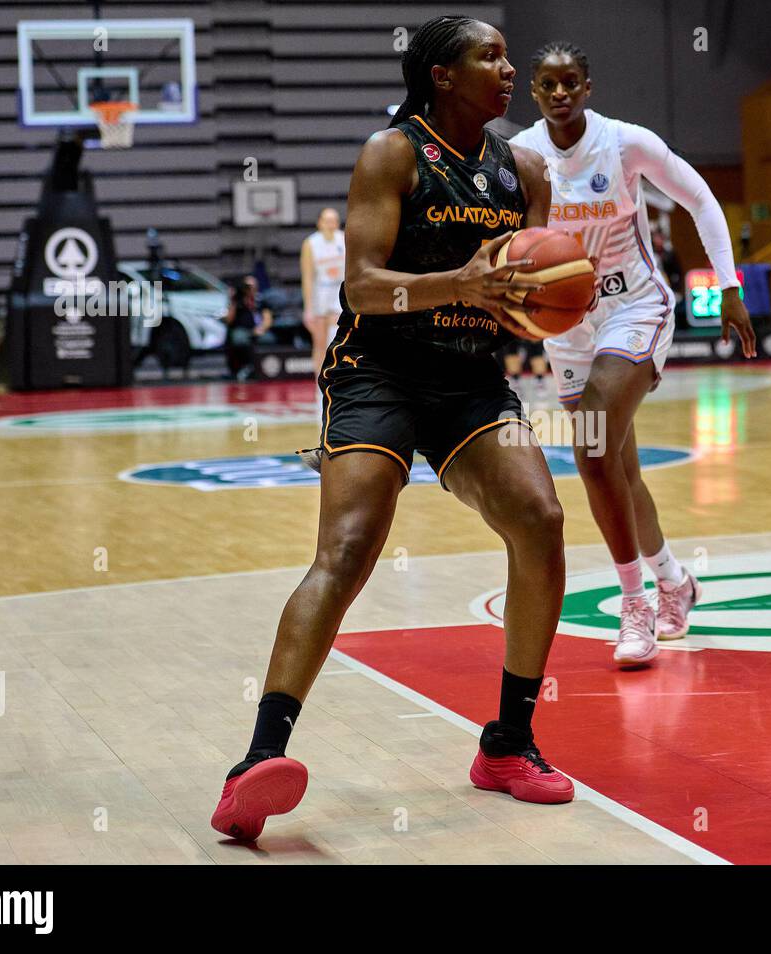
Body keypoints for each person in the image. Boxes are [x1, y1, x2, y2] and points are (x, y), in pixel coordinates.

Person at [210, 15, 573, 843]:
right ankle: (256, 763)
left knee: (542, 520)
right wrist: (461, 283)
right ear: (441, 74)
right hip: (377, 372)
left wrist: (541, 305)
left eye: (506, 53)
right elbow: (364, 290)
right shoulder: (392, 153)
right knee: (346, 550)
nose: (508, 68)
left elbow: (525, 299)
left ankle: (508, 743)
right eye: (488, 55)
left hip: (470, 382)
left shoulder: (523, 170)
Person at [510, 41, 755, 667]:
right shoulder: (522, 156)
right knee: (618, 471)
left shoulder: (625, 144)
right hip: (568, 327)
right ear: (533, 93)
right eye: (547, 85)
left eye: (571, 82)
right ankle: (676, 581)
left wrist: (729, 287)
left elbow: (701, 198)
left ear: (588, 87)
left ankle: (635, 605)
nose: (560, 93)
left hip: (634, 307)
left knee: (590, 450)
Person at [300, 207, 345, 381]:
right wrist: (308, 308)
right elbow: (308, 277)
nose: (331, 224)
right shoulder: (311, 243)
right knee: (319, 344)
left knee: (337, 342)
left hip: (338, 294)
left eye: (334, 220)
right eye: (327, 220)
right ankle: (319, 382)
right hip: (320, 294)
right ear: (319, 222)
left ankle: (336, 379)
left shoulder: (344, 239)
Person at [223, 275, 273, 380]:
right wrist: (233, 301)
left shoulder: (261, 300)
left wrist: (261, 328)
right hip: (243, 330)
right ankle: (247, 366)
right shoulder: (238, 301)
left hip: (258, 330)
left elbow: (267, 318)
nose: (250, 289)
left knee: (269, 338)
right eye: (248, 286)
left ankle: (262, 367)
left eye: (252, 286)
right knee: (239, 338)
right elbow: (228, 320)